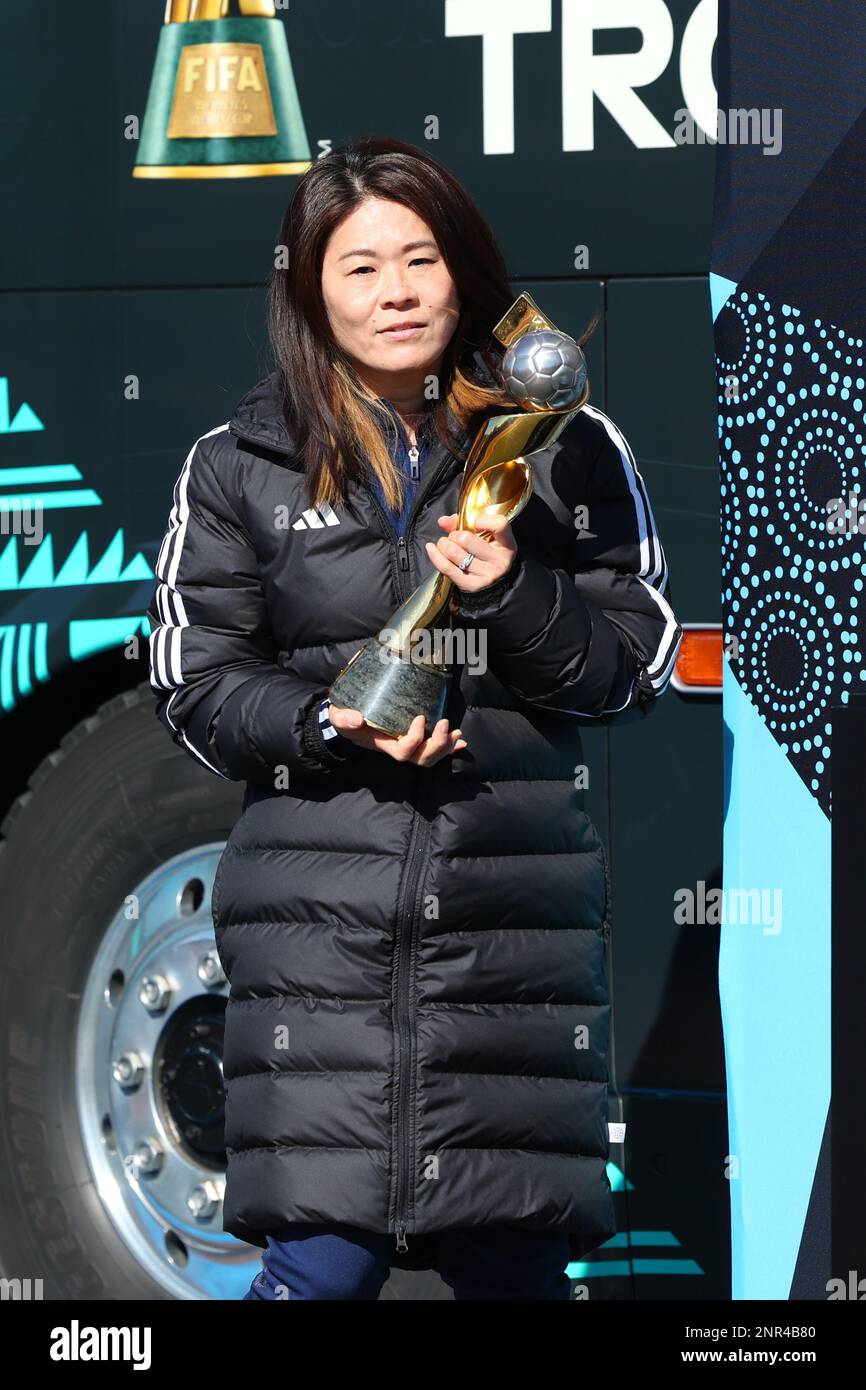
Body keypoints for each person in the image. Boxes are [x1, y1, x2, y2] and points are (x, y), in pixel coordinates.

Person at [147, 135, 683, 1300]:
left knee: (514, 1271)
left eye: (421, 260)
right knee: (317, 1267)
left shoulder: (565, 447)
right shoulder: (237, 465)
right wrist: (335, 723)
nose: (395, 292)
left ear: (465, 273)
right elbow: (194, 685)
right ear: (308, 292)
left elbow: (629, 671)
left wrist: (511, 592)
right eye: (359, 268)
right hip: (316, 946)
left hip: (510, 943)